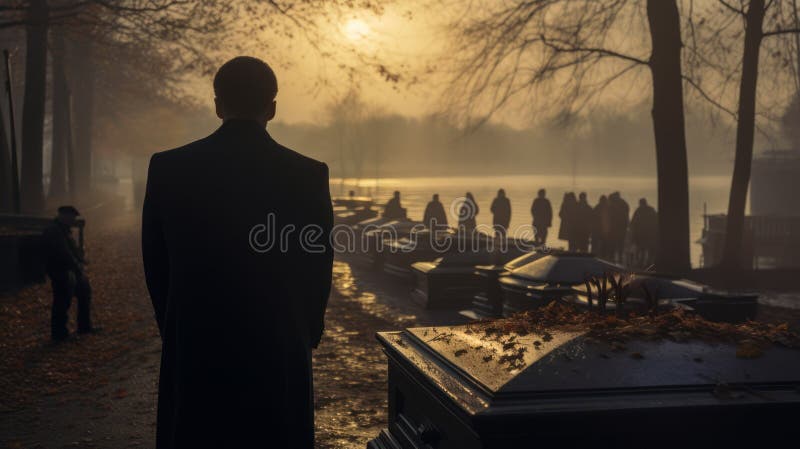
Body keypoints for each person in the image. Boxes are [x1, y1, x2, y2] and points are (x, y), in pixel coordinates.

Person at [142, 56, 333, 449]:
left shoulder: (167, 169)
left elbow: (156, 263)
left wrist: (173, 325)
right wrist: (306, 331)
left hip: (197, 339)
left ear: (218, 105)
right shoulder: (308, 174)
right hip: (277, 342)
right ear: (272, 108)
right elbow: (316, 264)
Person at [43, 205, 96, 342]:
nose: (73, 220)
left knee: (84, 292)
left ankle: (84, 327)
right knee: (62, 301)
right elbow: (63, 253)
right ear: (63, 216)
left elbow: (72, 251)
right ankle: (59, 334)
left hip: (69, 269)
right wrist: (77, 266)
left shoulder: (64, 230)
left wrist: (81, 260)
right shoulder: (54, 230)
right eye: (71, 217)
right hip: (59, 270)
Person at [630, 198, 658, 266]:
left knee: (641, 249)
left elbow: (633, 222)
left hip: (641, 234)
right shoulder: (651, 210)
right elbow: (656, 220)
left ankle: (641, 262)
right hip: (649, 233)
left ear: (640, 203)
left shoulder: (638, 210)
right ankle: (648, 263)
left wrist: (633, 232)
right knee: (648, 249)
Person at [608, 191, 630, 262]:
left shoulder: (613, 204)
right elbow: (626, 216)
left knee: (613, 243)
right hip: (622, 227)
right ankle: (619, 258)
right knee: (620, 243)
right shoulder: (624, 204)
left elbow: (610, 216)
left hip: (614, 228)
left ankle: (612, 258)